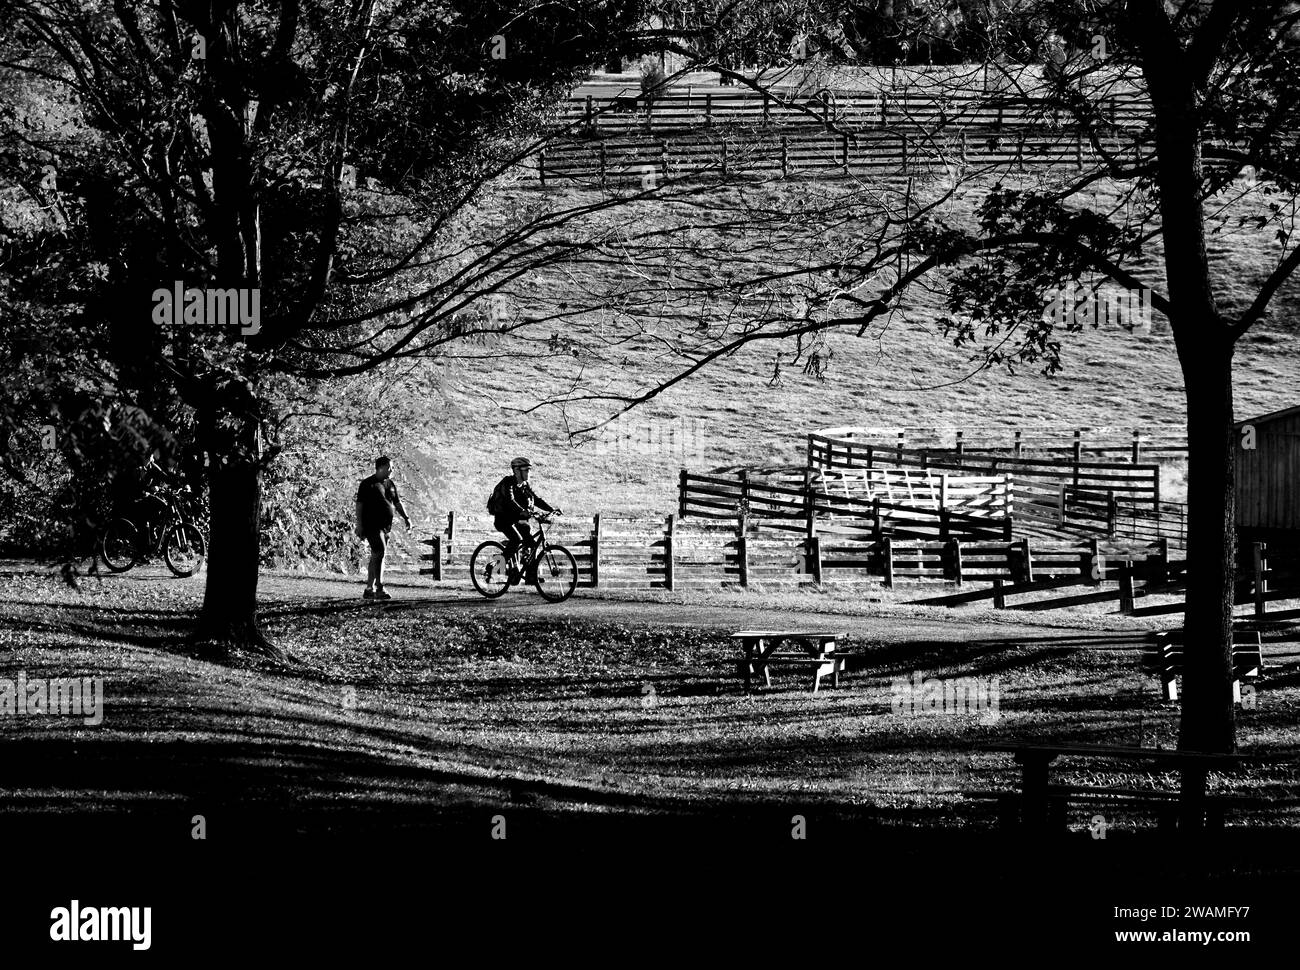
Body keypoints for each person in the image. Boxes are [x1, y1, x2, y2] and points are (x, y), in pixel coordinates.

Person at [491, 457, 560, 581]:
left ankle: (530, 576)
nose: (529, 473)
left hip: (516, 519)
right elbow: (510, 500)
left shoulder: (524, 485)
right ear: (517, 471)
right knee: (516, 539)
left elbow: (536, 499)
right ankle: (497, 567)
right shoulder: (508, 483)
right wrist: (522, 511)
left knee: (532, 543)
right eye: (526, 470)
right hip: (503, 519)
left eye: (529, 470)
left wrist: (551, 509)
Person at [355, 456, 410, 600]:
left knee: (377, 556)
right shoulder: (368, 484)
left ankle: (369, 588)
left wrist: (406, 518)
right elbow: (359, 505)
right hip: (372, 525)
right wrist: (359, 525)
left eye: (392, 467)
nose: (392, 470)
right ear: (380, 468)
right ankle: (379, 587)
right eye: (389, 467)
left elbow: (397, 503)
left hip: (386, 526)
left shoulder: (390, 484)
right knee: (380, 551)